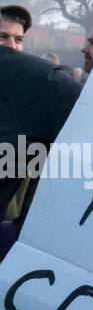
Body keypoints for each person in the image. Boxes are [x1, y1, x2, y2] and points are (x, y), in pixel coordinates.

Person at [0, 43, 81, 254]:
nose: (11, 43)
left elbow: (84, 163)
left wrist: (22, 235)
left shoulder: (34, 82)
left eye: (17, 38)